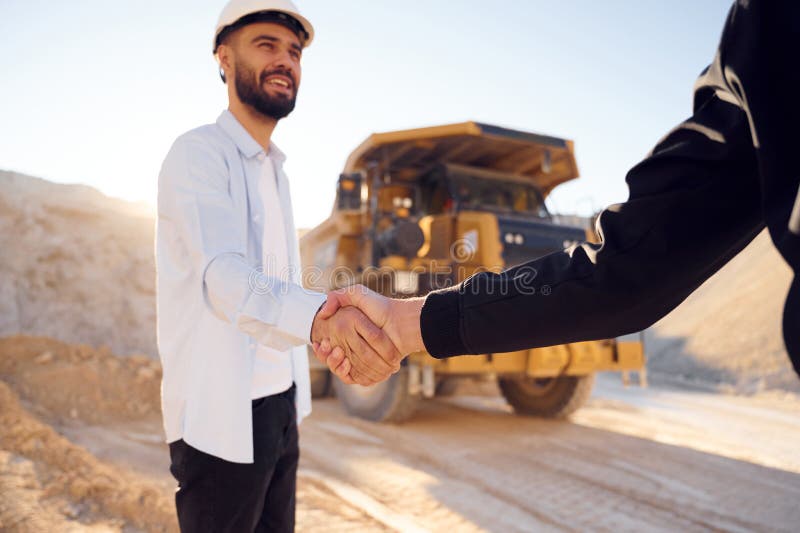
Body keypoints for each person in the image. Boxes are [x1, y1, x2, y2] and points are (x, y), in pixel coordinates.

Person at [312, 0, 800, 387]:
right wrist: (409, 323)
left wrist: (406, 327)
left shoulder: (765, 30)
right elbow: (634, 263)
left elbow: (633, 264)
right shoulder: (770, 30)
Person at [156, 1, 398, 531]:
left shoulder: (278, 171)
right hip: (220, 419)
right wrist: (322, 319)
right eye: (266, 45)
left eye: (294, 52)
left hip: (280, 406)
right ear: (224, 57)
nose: (285, 61)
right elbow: (223, 275)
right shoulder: (198, 155)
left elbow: (276, 284)